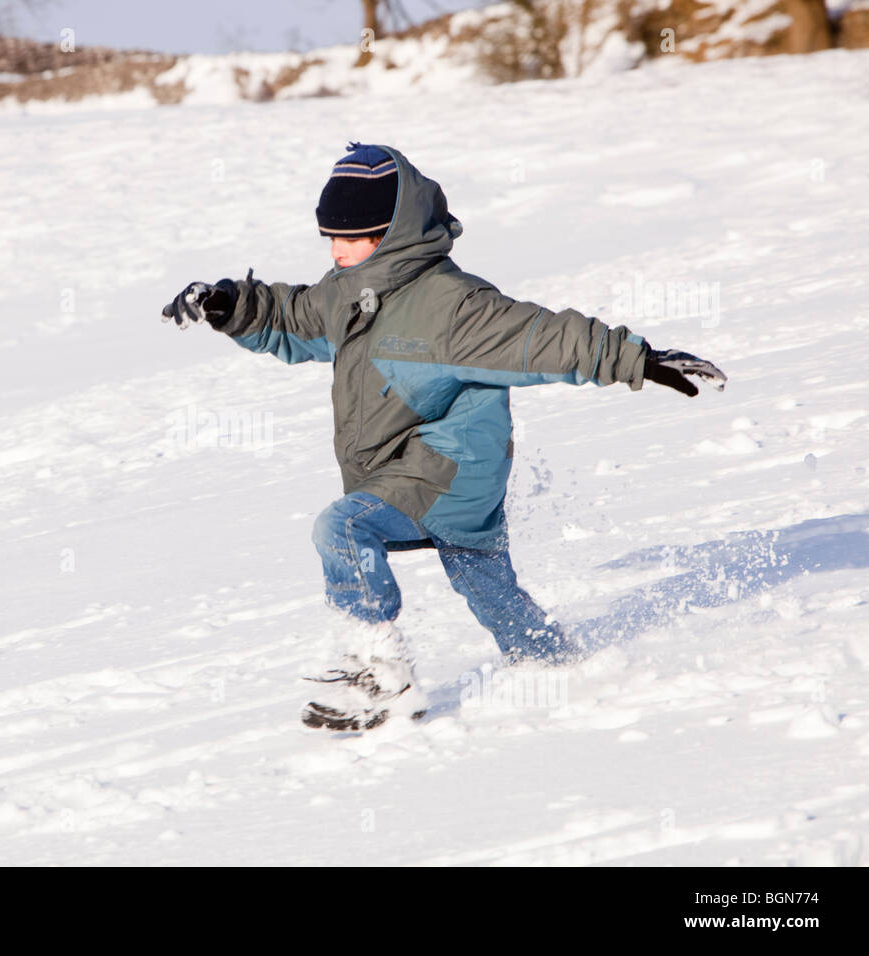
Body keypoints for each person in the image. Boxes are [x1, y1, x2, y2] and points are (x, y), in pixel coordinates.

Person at [161, 143, 727, 731]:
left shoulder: (452, 305)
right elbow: (297, 318)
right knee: (483, 578)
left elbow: (544, 338)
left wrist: (639, 358)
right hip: (418, 465)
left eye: (353, 237)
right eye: (330, 237)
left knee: (343, 526)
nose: (338, 250)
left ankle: (379, 677)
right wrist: (232, 305)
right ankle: (553, 664)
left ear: (394, 233)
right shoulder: (347, 290)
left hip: (451, 468)